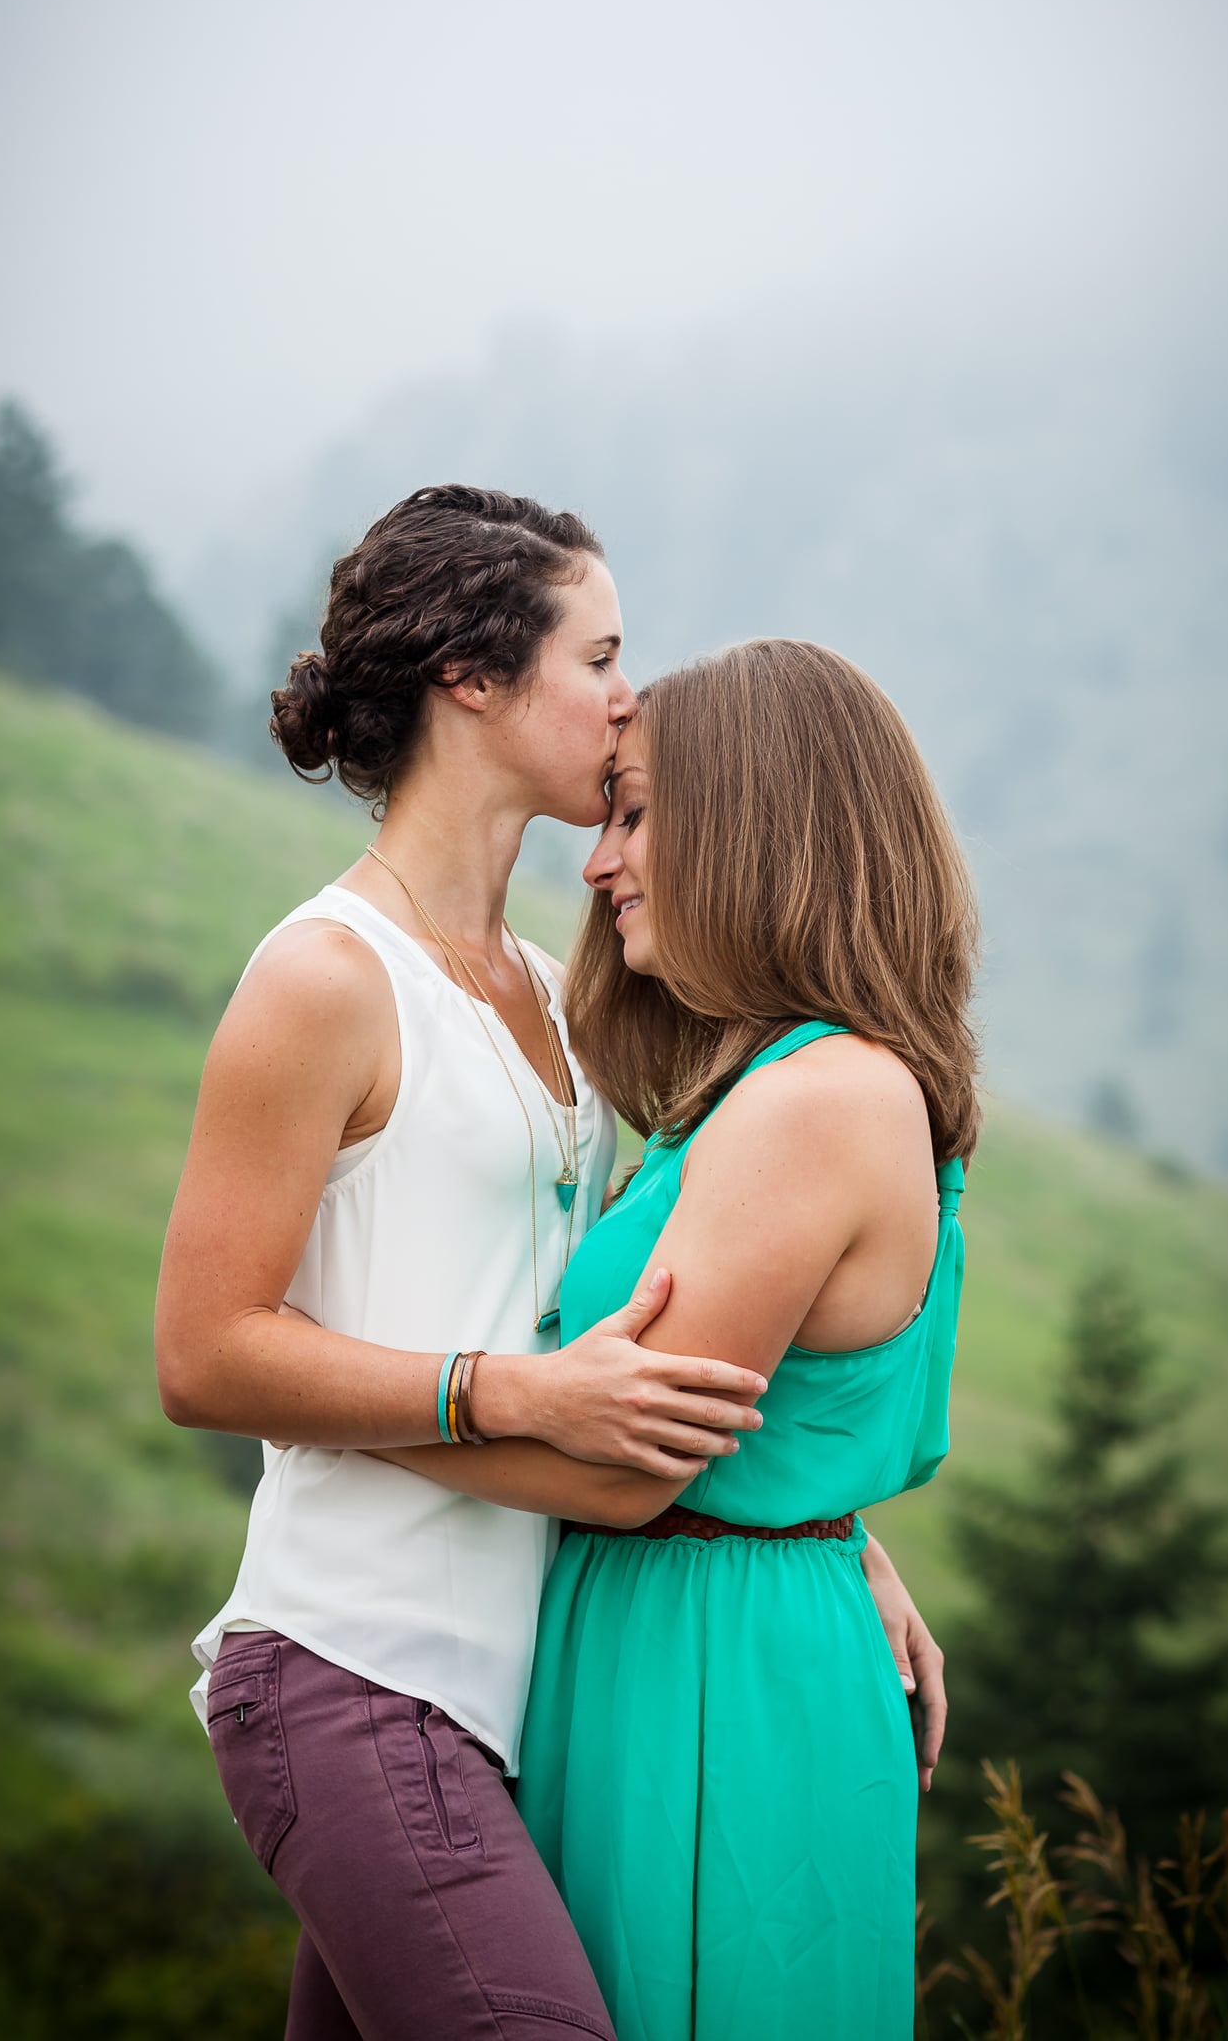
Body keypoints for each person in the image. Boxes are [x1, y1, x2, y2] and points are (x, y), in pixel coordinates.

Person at [155, 486, 782, 2041]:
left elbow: (645, 1316)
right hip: (352, 1672)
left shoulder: (566, 1002)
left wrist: (829, 1540)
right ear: (476, 681)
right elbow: (205, 1351)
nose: (630, 697)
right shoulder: (324, 980)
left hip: (512, 1710)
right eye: (601, 654)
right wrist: (509, 1392)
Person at [371, 638, 979, 2041]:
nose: (598, 862)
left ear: (756, 826)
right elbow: (750, 1416)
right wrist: (839, 1534)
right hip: (684, 1624)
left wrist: (333, 1411)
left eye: (635, 815)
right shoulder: (761, 1087)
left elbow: (632, 1469)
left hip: (714, 1679)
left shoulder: (819, 1098)